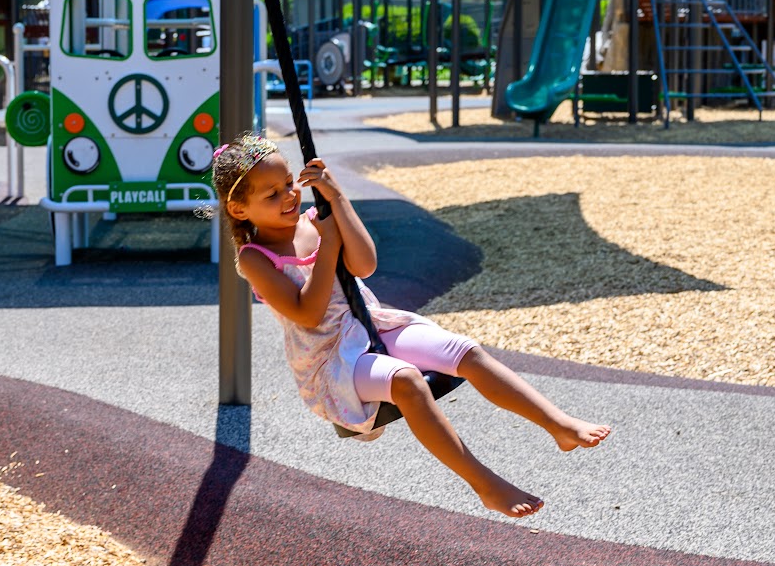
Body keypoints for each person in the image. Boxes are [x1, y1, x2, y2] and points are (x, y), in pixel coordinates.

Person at [213, 133, 611, 518]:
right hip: (331, 361)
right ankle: (485, 484)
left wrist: (337, 199)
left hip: (372, 324)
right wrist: (328, 245)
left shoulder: (317, 219)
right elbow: (309, 314)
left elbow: (364, 265)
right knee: (407, 380)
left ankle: (558, 425)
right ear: (239, 210)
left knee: (465, 351)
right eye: (272, 194)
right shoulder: (255, 259)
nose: (289, 195)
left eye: (288, 183)